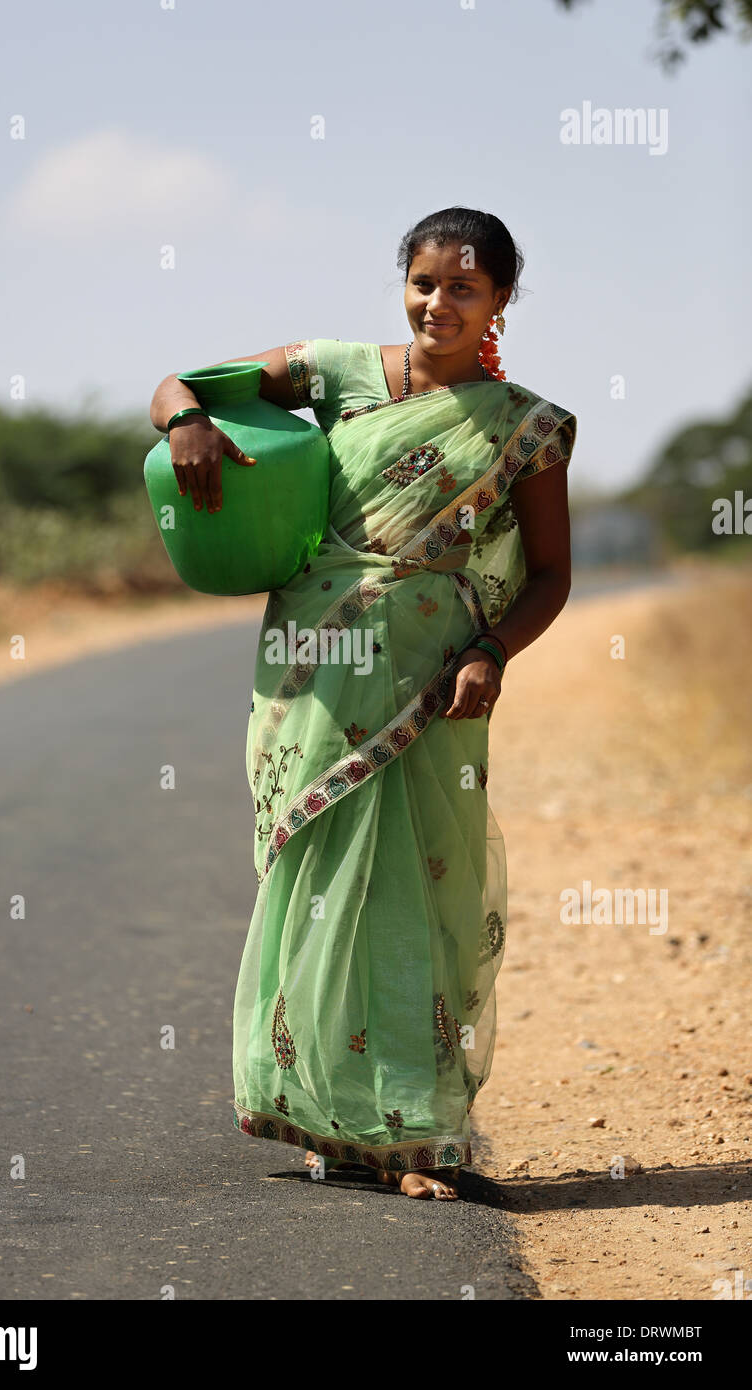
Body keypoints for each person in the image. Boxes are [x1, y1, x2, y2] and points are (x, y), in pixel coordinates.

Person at [149, 206, 577, 1200]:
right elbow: (184, 382)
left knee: (417, 894)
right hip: (311, 661)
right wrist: (186, 425)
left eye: (463, 288)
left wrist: (490, 650)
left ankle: (411, 1130)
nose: (438, 303)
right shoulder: (334, 372)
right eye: (422, 282)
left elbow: (551, 575)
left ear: (500, 301)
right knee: (319, 875)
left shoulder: (525, 427)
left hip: (434, 681)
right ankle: (324, 1113)